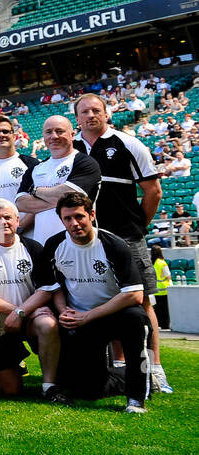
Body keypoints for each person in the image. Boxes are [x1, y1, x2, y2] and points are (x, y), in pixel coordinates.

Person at [73, 93, 171, 394]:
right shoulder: (71, 148)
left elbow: (153, 191)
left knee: (141, 301)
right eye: (84, 112)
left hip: (127, 237)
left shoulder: (129, 144)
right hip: (88, 240)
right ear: (76, 118)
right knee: (104, 300)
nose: (91, 116)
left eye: (96, 110)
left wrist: (138, 225)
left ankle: (154, 369)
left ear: (107, 113)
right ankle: (116, 366)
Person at [36, 192, 152, 413]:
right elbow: (53, 287)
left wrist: (88, 316)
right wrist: (64, 312)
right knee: (86, 390)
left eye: (79, 216)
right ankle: (123, 378)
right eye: (68, 218)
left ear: (91, 215)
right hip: (81, 320)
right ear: (61, 220)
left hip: (115, 313)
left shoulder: (113, 244)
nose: (74, 223)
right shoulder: (54, 245)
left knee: (136, 320)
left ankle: (137, 397)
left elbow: (134, 294)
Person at [0, 198, 67, 403]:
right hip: (0, 324)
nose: (3, 222)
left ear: (17, 221)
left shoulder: (33, 247)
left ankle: (49, 386)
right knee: (10, 391)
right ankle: (13, 361)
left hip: (30, 318)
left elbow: (46, 289)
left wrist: (22, 312)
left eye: (8, 217)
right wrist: (16, 311)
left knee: (48, 323)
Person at [16, 115, 102, 245]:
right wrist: (61, 200)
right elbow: (21, 203)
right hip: (42, 245)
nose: (54, 136)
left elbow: (71, 196)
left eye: (60, 131)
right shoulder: (35, 169)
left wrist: (36, 191)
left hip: (80, 244)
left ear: (72, 135)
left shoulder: (85, 162)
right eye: (49, 132)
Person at [0, 115, 39, 232]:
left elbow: (40, 201)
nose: (1, 135)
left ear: (14, 135)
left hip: (31, 234)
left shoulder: (31, 164)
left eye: (5, 131)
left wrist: (19, 228)